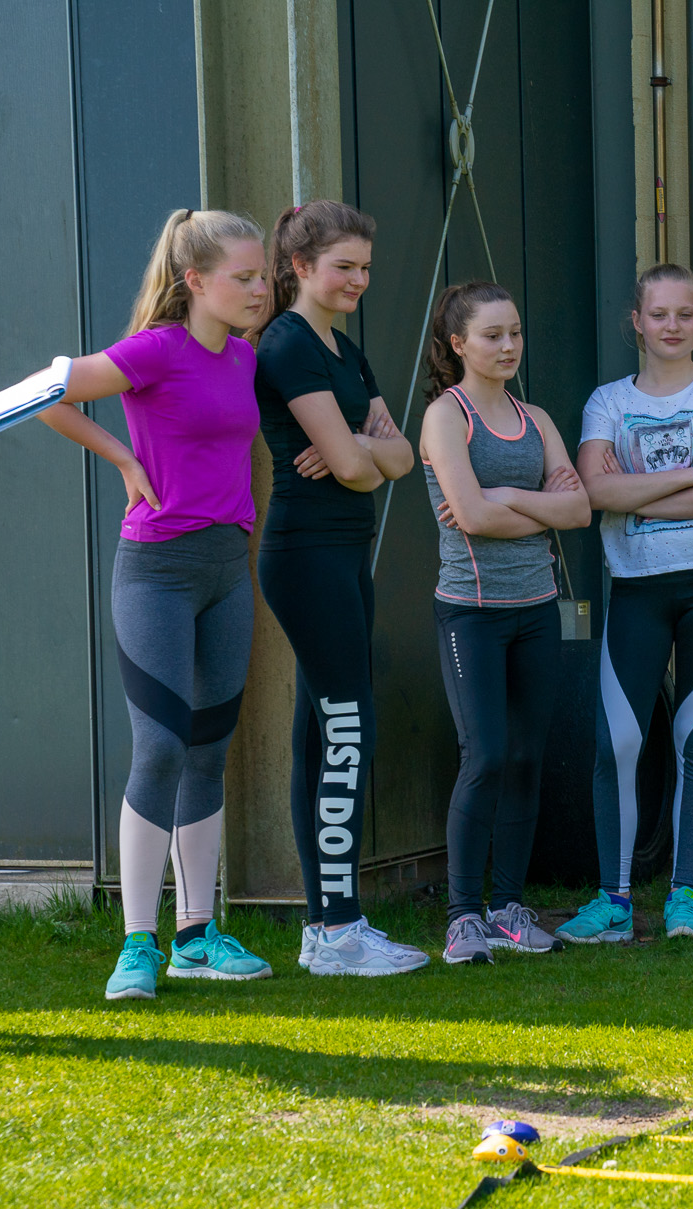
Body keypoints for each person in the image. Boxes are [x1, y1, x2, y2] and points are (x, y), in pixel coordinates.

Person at [37, 209, 273, 1000]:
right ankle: (137, 943)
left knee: (209, 748)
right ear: (195, 281)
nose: (258, 289)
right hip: (157, 571)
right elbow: (48, 397)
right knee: (162, 747)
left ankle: (197, 937)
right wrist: (121, 458)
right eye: (242, 278)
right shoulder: (155, 351)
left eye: (262, 275)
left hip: (226, 568)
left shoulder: (242, 358)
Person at [556, 263, 693, 945]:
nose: (673, 326)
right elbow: (595, 494)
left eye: (686, 313)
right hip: (636, 590)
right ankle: (613, 900)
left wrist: (641, 484)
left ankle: (683, 897)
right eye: (660, 314)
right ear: (636, 322)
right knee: (618, 740)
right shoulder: (607, 402)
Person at [252, 200, 424, 977]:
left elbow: (405, 456)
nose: (358, 280)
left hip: (346, 554)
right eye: (342, 266)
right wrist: (361, 447)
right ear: (300, 267)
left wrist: (355, 444)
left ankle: (328, 925)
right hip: (307, 555)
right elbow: (364, 466)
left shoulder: (344, 349)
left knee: (322, 733)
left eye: (364, 268)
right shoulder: (287, 343)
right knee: (348, 729)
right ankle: (338, 929)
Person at [418, 281, 591, 965]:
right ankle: (464, 917)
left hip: (535, 612)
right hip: (472, 615)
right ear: (460, 344)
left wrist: (510, 495)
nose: (508, 345)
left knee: (525, 756)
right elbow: (472, 515)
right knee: (485, 753)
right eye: (493, 335)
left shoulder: (537, 418)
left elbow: (578, 512)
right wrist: (536, 506)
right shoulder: (445, 415)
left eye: (515, 332)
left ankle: (510, 908)